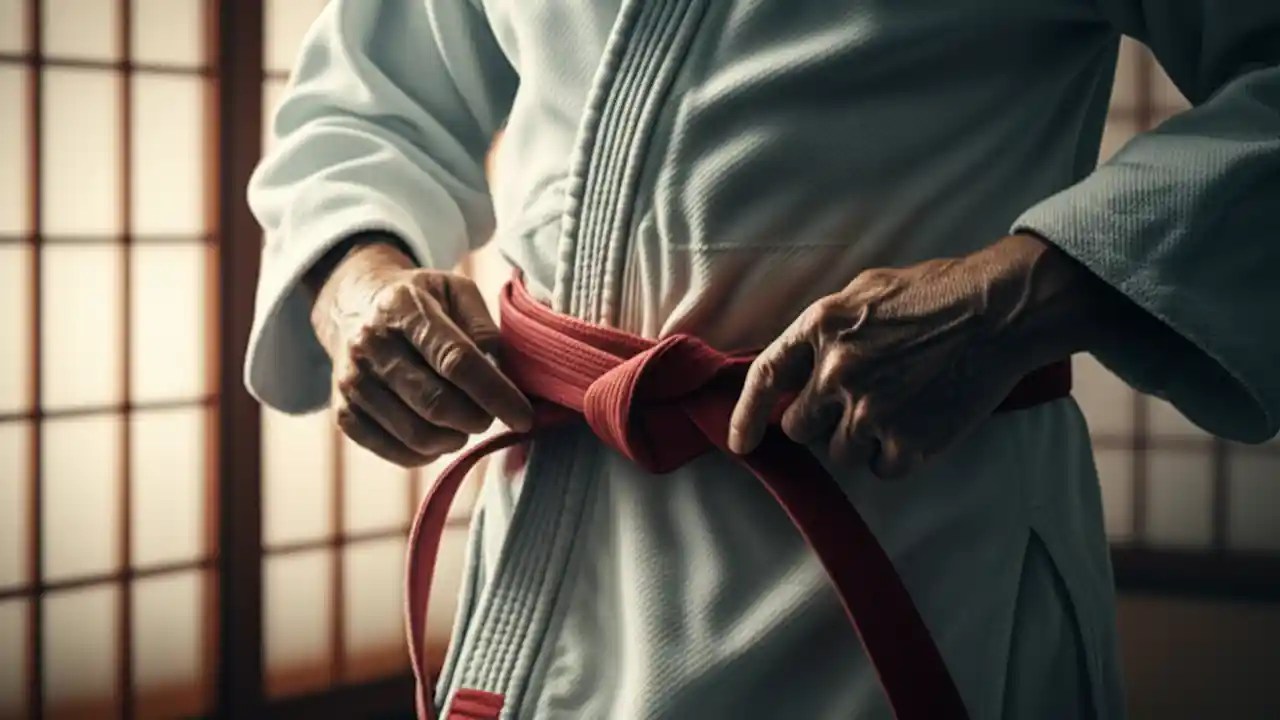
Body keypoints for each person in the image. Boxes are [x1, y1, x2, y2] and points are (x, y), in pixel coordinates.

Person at [245, 1, 1280, 717]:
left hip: (908, 524)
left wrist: (1019, 295)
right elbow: (361, 104)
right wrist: (359, 286)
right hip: (554, 522)